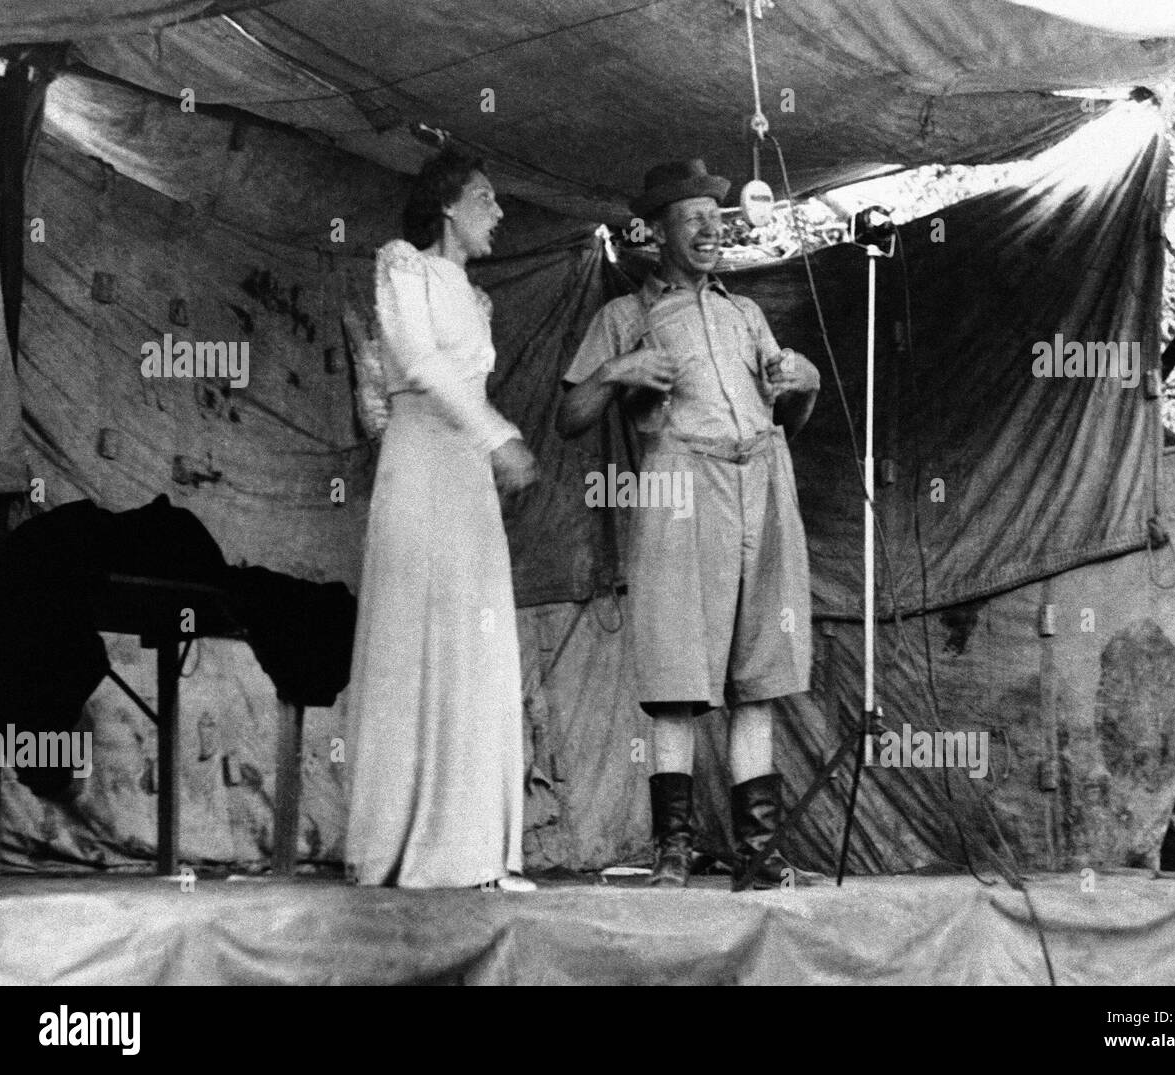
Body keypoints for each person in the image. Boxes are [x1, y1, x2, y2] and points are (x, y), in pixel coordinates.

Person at [556, 159, 821, 888]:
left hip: (763, 478)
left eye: (717, 216)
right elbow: (568, 417)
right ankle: (673, 847)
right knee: (677, 675)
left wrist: (805, 387)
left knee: (759, 673)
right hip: (680, 483)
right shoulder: (625, 317)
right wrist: (617, 372)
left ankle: (758, 854)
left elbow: (787, 418)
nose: (711, 230)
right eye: (694, 218)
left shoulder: (746, 314)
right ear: (658, 231)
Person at [345, 147, 538, 891]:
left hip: (467, 476)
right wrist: (500, 436)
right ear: (449, 204)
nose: (499, 212)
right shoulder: (403, 265)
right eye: (486, 197)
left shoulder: (476, 296)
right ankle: (404, 841)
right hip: (422, 456)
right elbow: (419, 362)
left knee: (476, 637)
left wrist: (488, 446)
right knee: (412, 635)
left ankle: (474, 848)